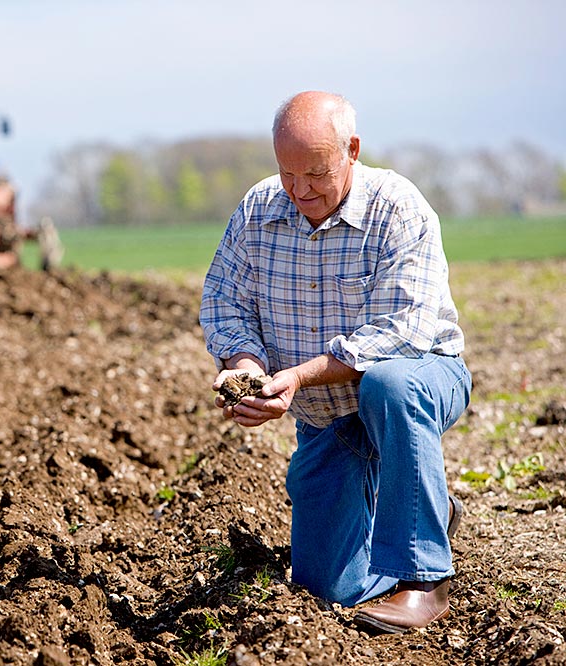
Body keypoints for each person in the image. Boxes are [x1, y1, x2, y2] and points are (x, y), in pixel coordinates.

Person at [199, 91, 471, 633]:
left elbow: (401, 332)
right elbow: (225, 301)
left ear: (352, 150)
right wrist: (247, 369)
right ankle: (424, 509)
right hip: (328, 417)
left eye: (316, 173)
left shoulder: (397, 208)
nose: (300, 190)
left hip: (418, 378)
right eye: (287, 172)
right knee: (328, 589)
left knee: (390, 385)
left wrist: (298, 376)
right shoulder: (258, 211)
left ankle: (424, 579)